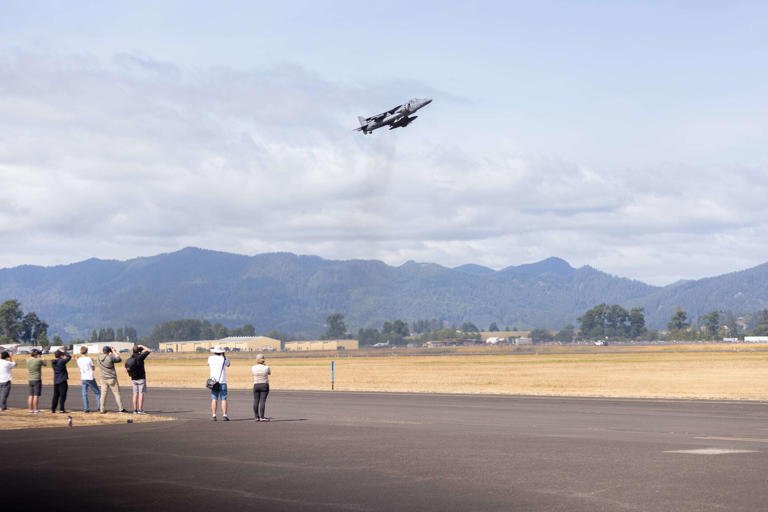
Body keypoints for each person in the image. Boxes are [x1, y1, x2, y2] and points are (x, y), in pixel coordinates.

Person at [96, 346, 126, 413]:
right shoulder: (110, 358)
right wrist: (114, 352)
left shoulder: (98, 358)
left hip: (103, 378)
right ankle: (121, 408)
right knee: (116, 394)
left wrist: (108, 354)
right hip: (111, 378)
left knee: (103, 394)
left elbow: (103, 356)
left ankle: (101, 409)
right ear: (109, 351)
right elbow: (119, 359)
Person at [125, 344, 151, 414]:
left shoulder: (130, 359)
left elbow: (126, 369)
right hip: (141, 378)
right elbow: (149, 350)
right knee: (141, 393)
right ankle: (140, 410)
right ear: (139, 352)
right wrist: (142, 346)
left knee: (135, 394)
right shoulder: (140, 357)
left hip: (133, 378)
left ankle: (134, 410)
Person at [207, 345, 231, 421]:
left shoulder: (210, 358)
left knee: (214, 399)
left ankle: (214, 415)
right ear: (221, 352)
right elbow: (228, 364)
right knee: (224, 399)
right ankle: (224, 415)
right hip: (222, 381)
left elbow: (208, 364)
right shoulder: (224, 358)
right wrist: (224, 355)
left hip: (213, 381)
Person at [77, 346, 101, 413]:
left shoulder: (78, 360)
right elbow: (93, 368)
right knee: (97, 392)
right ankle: (99, 407)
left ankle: (86, 408)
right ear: (86, 352)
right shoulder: (89, 359)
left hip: (83, 377)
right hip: (90, 377)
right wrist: (92, 362)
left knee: (84, 393)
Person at [251, 353, 271, 422]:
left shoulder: (253, 367)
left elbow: (253, 373)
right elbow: (269, 373)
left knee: (256, 400)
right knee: (262, 401)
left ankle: (256, 417)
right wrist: (264, 365)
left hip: (256, 385)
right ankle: (262, 417)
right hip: (264, 384)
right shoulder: (266, 367)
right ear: (263, 360)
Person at [51, 349, 72, 413]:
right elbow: (69, 357)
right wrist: (64, 352)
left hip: (56, 380)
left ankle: (53, 409)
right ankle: (62, 409)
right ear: (60, 355)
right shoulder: (61, 361)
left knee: (55, 395)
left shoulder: (53, 362)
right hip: (62, 380)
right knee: (62, 396)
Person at [26, 349, 46, 413]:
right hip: (37, 379)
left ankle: (30, 409)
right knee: (36, 395)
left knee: (30, 395)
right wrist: (42, 357)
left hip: (30, 379)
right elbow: (45, 364)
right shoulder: (38, 360)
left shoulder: (27, 360)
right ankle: (36, 409)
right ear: (36, 354)